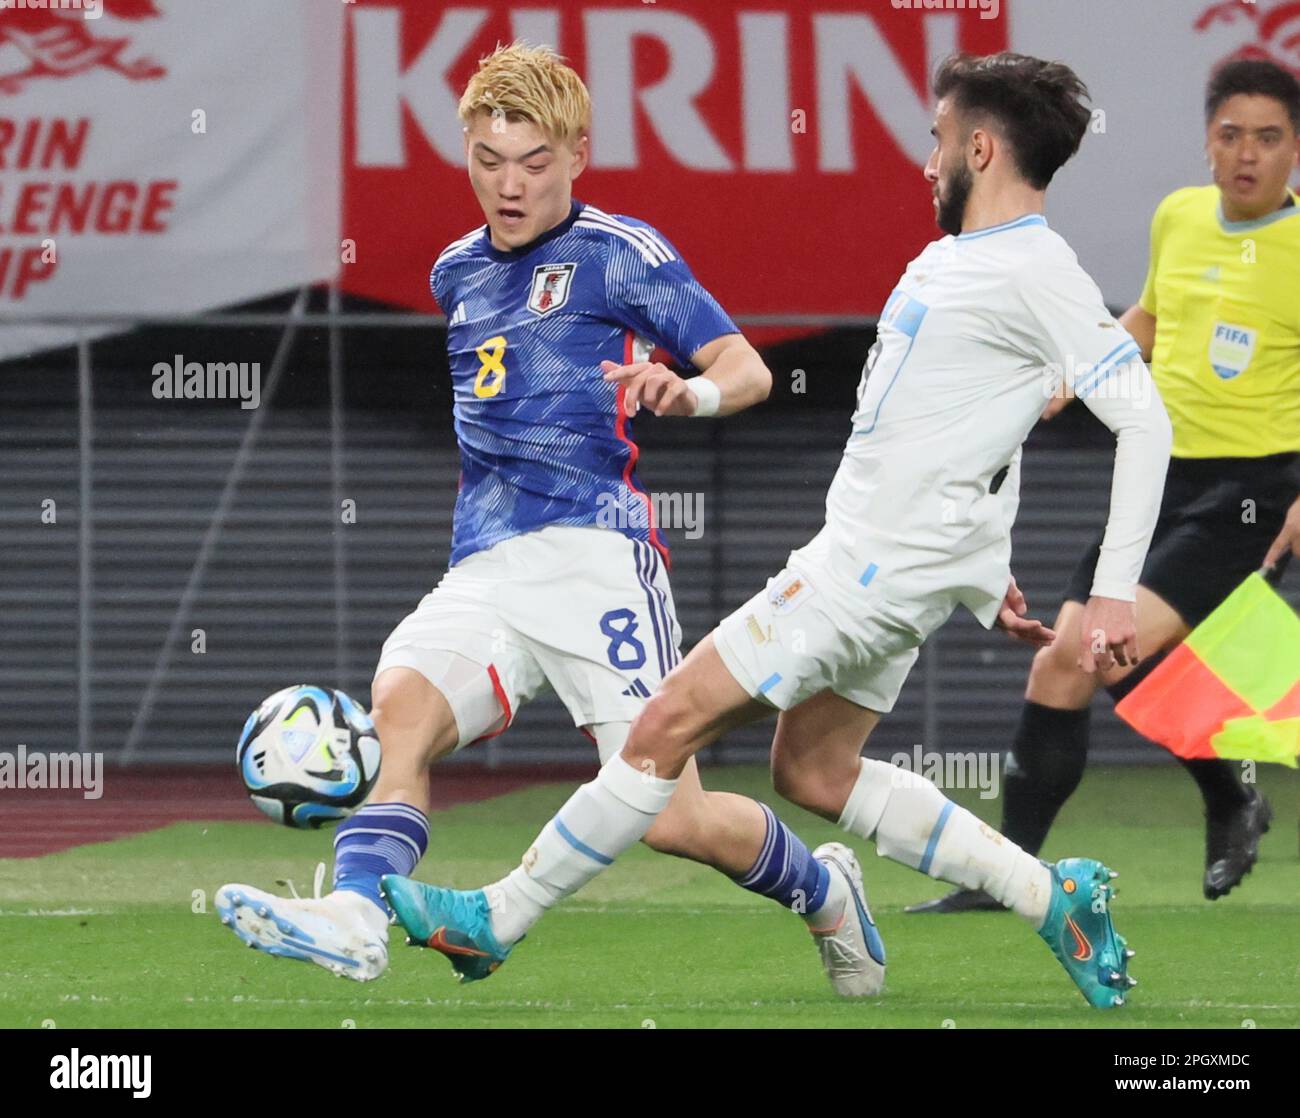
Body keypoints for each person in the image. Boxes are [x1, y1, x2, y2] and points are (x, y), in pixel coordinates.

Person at [382, 51, 1173, 1009]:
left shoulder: (1034, 268)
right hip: (898, 567)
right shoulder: (964, 259)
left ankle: (494, 918)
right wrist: (978, 563)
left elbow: (1144, 418)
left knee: (663, 725)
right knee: (813, 768)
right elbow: (962, 424)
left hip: (861, 576)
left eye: (934, 141)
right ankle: (1055, 899)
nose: (925, 163)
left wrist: (1115, 590)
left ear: (978, 146)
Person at [214, 42, 889, 997]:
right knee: (396, 722)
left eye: (533, 161)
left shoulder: (621, 254)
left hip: (596, 556)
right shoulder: (455, 272)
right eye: (489, 162)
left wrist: (683, 393)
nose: (509, 184)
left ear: (576, 151)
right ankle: (358, 920)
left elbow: (748, 369)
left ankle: (826, 892)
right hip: (483, 566)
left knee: (671, 817)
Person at [912, 58, 1300, 914]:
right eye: (1230, 134)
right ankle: (1004, 878)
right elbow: (1152, 322)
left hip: (1253, 492)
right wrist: (1074, 369)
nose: (1246, 154)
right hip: (1160, 477)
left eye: (1268, 138)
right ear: (1206, 141)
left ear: (1295, 149)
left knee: (1103, 650)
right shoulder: (1180, 218)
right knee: (1059, 666)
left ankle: (1231, 794)